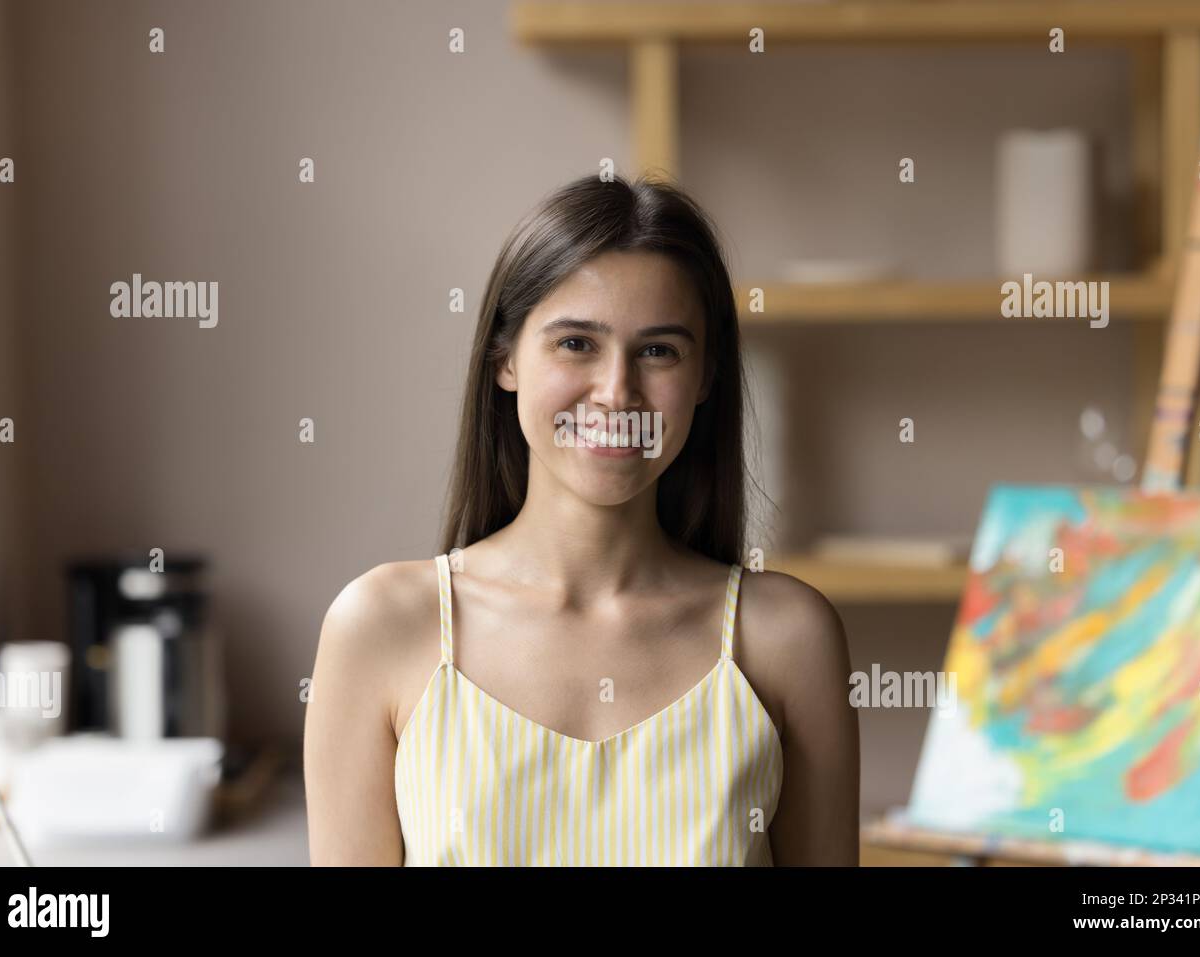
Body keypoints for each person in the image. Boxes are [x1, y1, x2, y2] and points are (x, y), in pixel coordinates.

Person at [304, 174, 857, 865]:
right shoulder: (380, 627)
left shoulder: (786, 639)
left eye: (658, 350)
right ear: (505, 358)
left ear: (706, 376)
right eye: (576, 344)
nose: (616, 390)